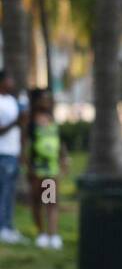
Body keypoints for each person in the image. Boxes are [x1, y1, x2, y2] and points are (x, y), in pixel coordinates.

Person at [27, 90, 67, 250]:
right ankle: (41, 233)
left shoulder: (53, 121)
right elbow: (26, 144)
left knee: (50, 201)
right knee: (37, 201)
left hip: (50, 169)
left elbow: (60, 142)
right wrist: (28, 166)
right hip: (37, 168)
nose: (46, 102)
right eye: (43, 99)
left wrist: (64, 158)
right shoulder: (31, 122)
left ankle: (53, 234)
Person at [0, 69, 26, 244]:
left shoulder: (12, 101)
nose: (13, 83)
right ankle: (4, 228)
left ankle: (7, 226)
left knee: (9, 193)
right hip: (2, 153)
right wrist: (16, 122)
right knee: (4, 192)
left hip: (13, 153)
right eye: (9, 79)